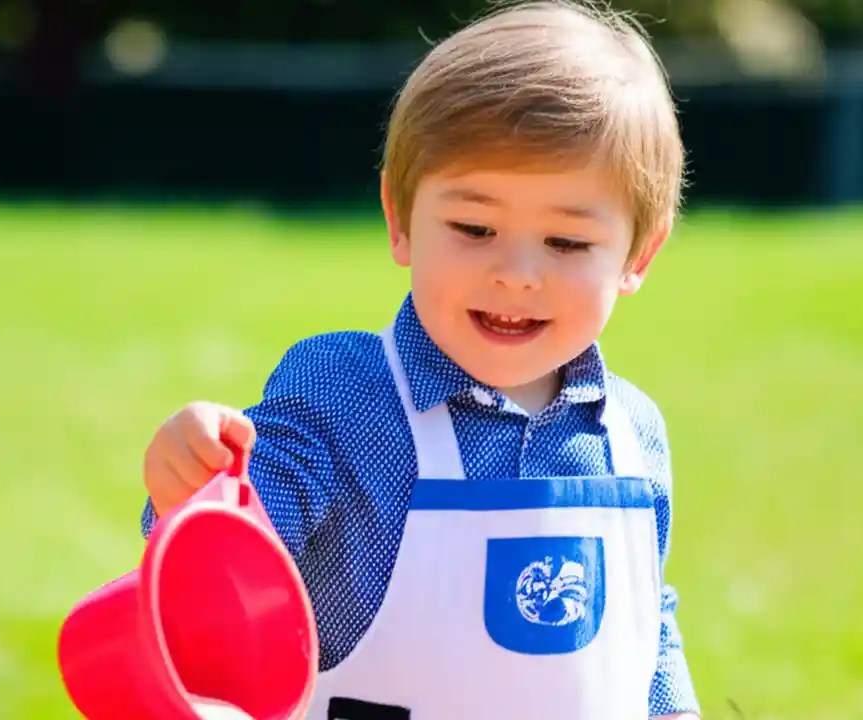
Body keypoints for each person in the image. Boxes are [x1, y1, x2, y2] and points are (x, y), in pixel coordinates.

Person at [140, 1, 698, 717]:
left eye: (567, 243)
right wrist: (190, 490)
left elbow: (646, 618)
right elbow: (228, 565)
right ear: (401, 221)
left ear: (638, 255)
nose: (518, 273)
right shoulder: (341, 394)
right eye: (474, 227)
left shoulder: (632, 433)